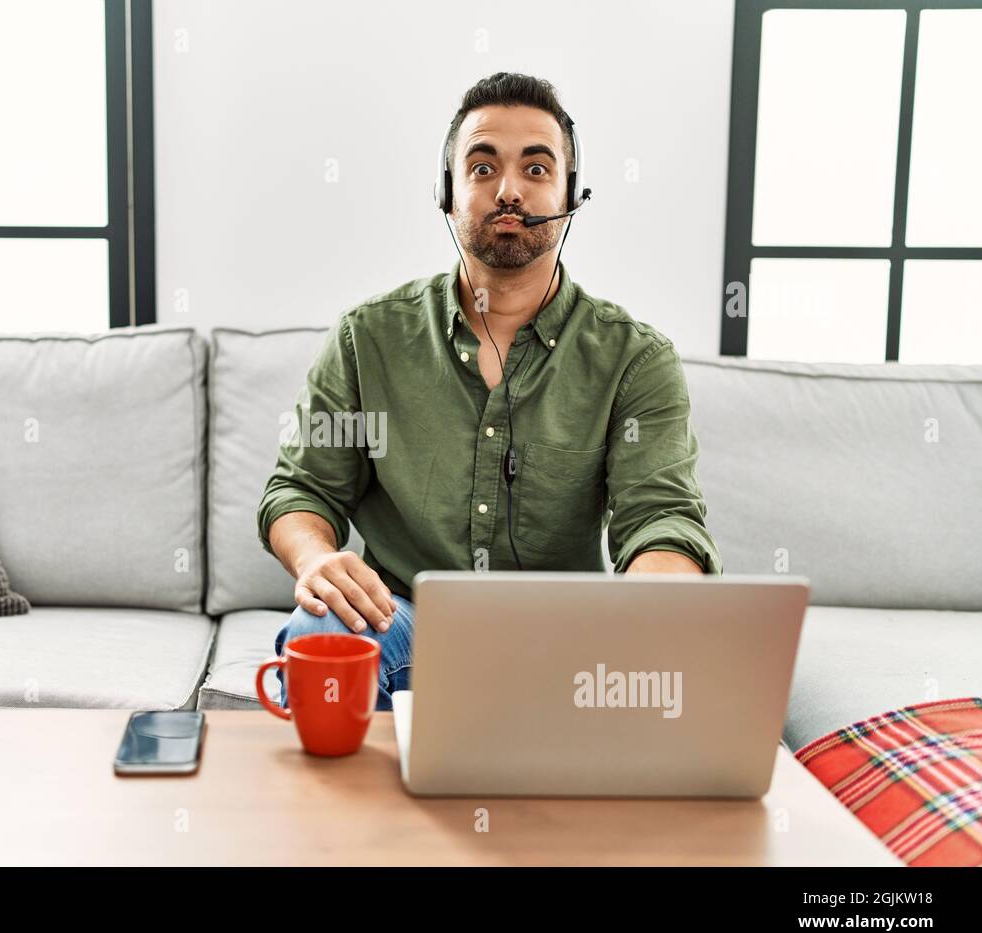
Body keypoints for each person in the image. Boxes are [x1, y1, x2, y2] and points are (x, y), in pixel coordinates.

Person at [257, 72, 722, 711]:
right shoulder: (367, 339)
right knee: (322, 639)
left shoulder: (636, 361)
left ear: (571, 194)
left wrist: (645, 613)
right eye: (482, 168)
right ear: (448, 196)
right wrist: (314, 559)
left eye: (536, 168)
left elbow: (661, 518)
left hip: (568, 640)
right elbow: (301, 488)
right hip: (403, 623)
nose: (508, 189)